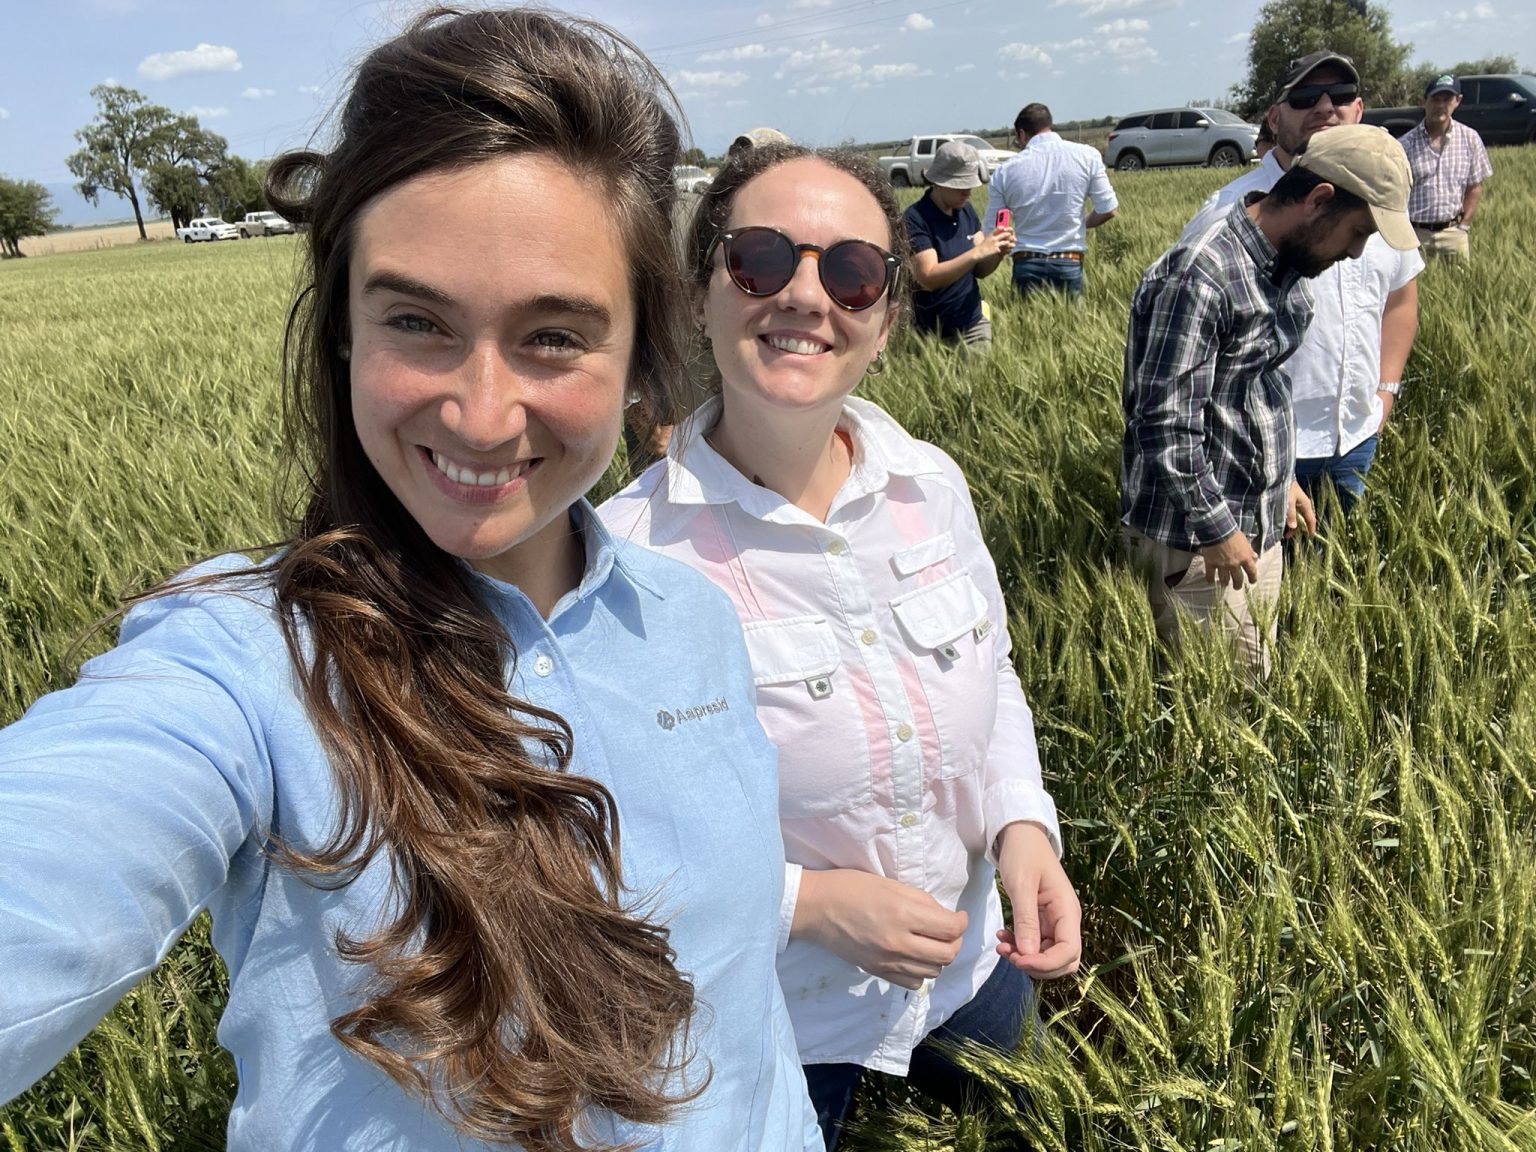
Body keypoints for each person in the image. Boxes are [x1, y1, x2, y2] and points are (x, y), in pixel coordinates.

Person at [0, 10, 823, 1152]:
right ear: (343, 327)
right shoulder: (249, 672)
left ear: (642, 352)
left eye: (553, 337)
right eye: (418, 322)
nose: (482, 416)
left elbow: (738, 1015)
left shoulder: (690, 622)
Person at [600, 142, 1081, 1150]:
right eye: (761, 261)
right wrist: (806, 905)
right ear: (700, 294)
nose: (808, 296)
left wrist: (1023, 827)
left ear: (888, 315)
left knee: (1039, 1128)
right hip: (778, 1014)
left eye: (855, 272)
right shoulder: (631, 558)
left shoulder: (931, 487)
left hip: (966, 965)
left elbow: (988, 678)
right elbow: (598, 834)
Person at [1123, 125, 1419, 678]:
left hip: (1256, 521)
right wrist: (1218, 530)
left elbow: (1256, 391)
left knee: (1253, 681)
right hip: (1198, 538)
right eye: (1358, 232)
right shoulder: (1203, 273)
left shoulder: (1288, 270)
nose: (1356, 252)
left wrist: (1282, 482)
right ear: (1318, 199)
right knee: (1217, 705)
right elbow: (1164, 423)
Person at [1183, 50, 1422, 519]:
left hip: (1354, 435)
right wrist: (1267, 459)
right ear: (1274, 118)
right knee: (1266, 589)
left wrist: (1384, 394)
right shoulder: (1229, 213)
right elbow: (1197, 351)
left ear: (1359, 110)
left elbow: (1400, 296)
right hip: (1260, 449)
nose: (1325, 107)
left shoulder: (1383, 199)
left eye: (1341, 95)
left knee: (1337, 577)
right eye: (1306, 96)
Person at [984, 101, 1118, 299]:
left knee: (1027, 329)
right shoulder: (1087, 156)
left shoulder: (1005, 171)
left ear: (1022, 134)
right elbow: (1109, 209)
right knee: (1072, 327)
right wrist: (1080, 223)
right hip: (1069, 261)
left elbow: (993, 229)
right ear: (1049, 126)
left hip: (1025, 263)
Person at [902, 140, 1015, 349]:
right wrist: (978, 252)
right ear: (940, 183)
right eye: (961, 187)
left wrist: (997, 252)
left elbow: (980, 270)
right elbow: (928, 277)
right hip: (929, 332)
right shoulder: (915, 217)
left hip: (972, 322)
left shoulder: (967, 211)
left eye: (970, 185)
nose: (968, 192)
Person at [1400, 74, 1493, 261]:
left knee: (1462, 286)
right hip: (1416, 236)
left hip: (1454, 234)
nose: (1441, 105)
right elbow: (1395, 192)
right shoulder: (1404, 145)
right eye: (1435, 99)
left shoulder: (1470, 139)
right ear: (1424, 101)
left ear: (1457, 101)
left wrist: (1464, 225)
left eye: (1447, 99)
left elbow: (1474, 187)